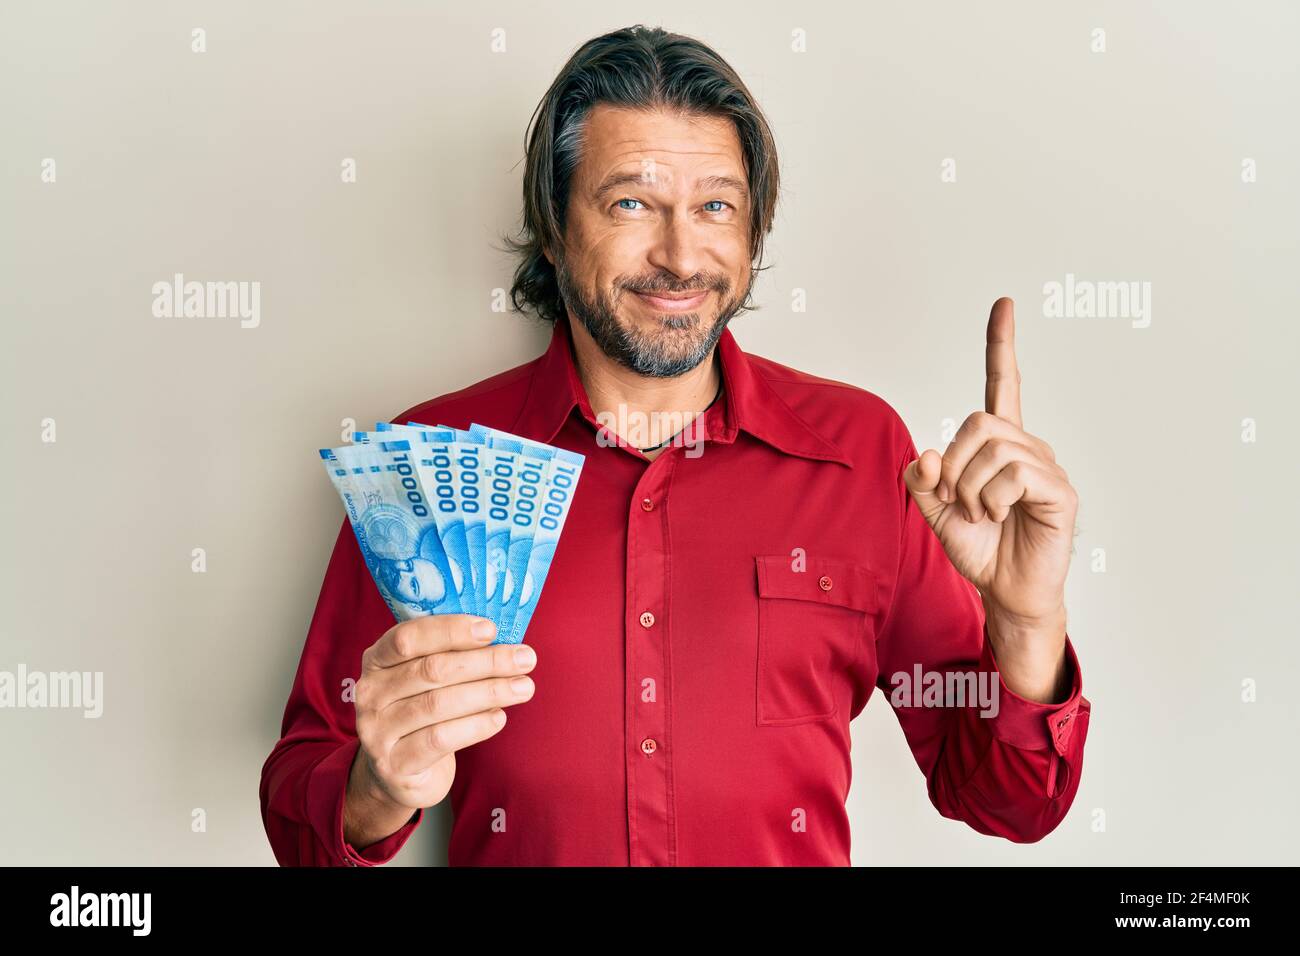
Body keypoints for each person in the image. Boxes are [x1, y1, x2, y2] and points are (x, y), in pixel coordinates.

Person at [259, 24, 1090, 866]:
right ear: (553, 228)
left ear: (753, 231)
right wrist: (376, 785)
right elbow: (301, 802)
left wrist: (1027, 622)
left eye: (715, 207)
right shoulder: (430, 465)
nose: (681, 254)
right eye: (631, 203)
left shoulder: (867, 453)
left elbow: (1006, 804)